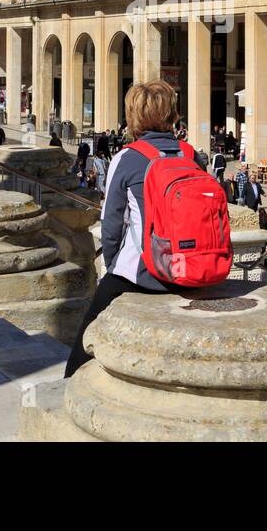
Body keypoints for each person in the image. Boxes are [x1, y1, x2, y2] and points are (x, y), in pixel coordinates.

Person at [65, 80, 186, 377]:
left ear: (134, 117)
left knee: (86, 337)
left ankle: (68, 385)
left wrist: (112, 264)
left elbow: (111, 224)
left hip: (144, 272)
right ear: (171, 114)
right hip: (189, 269)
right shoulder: (190, 155)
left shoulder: (128, 158)